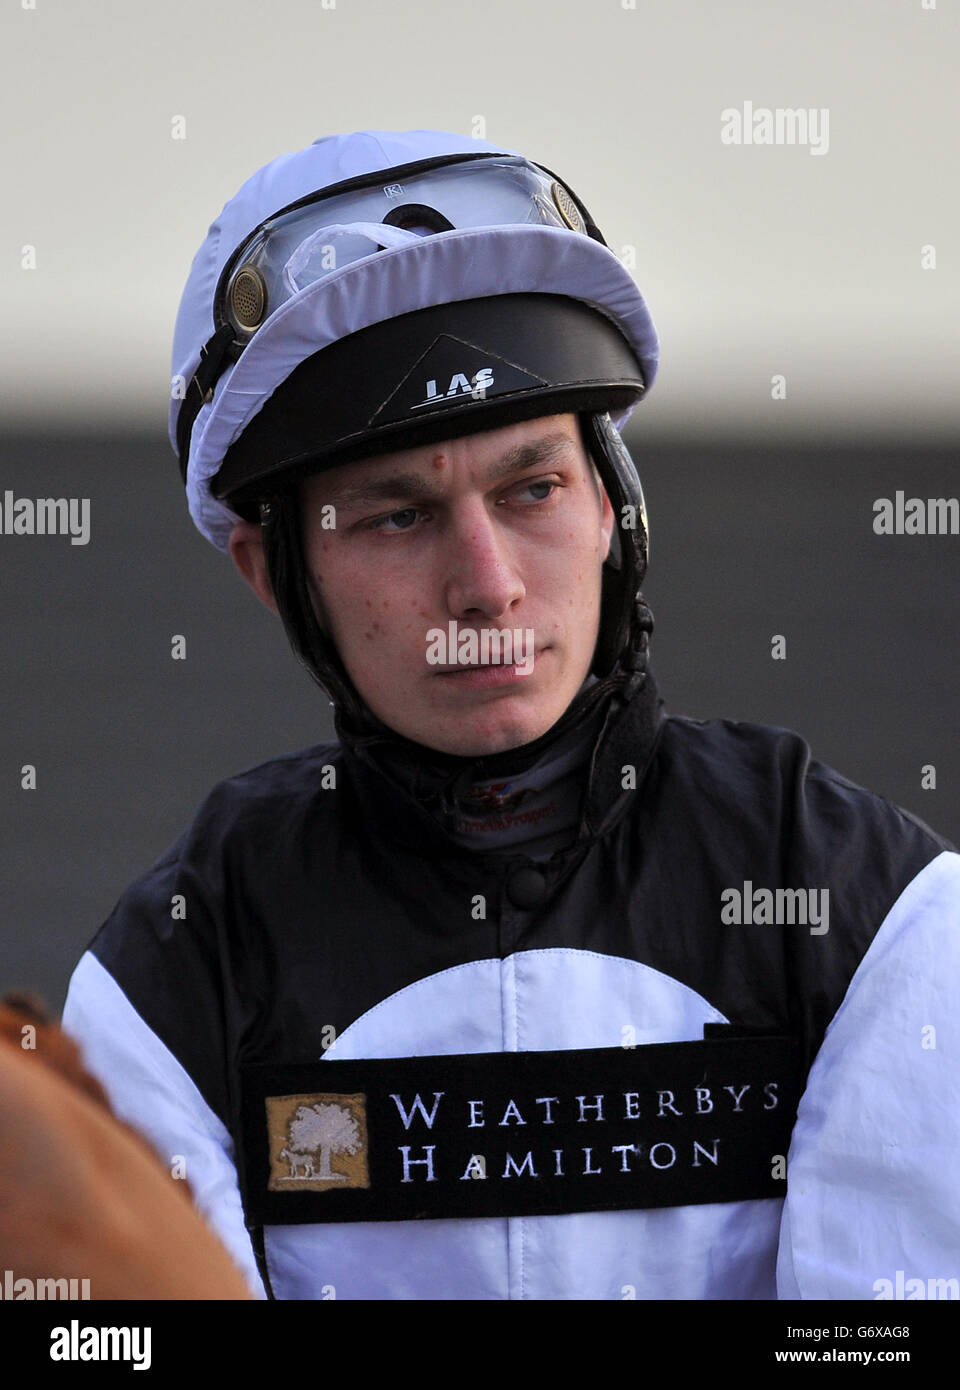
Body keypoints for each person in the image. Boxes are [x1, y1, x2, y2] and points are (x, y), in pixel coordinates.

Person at [62, 128, 960, 1301]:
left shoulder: (870, 909)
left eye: (531, 487)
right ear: (270, 570)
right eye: (396, 514)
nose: (486, 581)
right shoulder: (171, 974)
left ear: (610, 510)